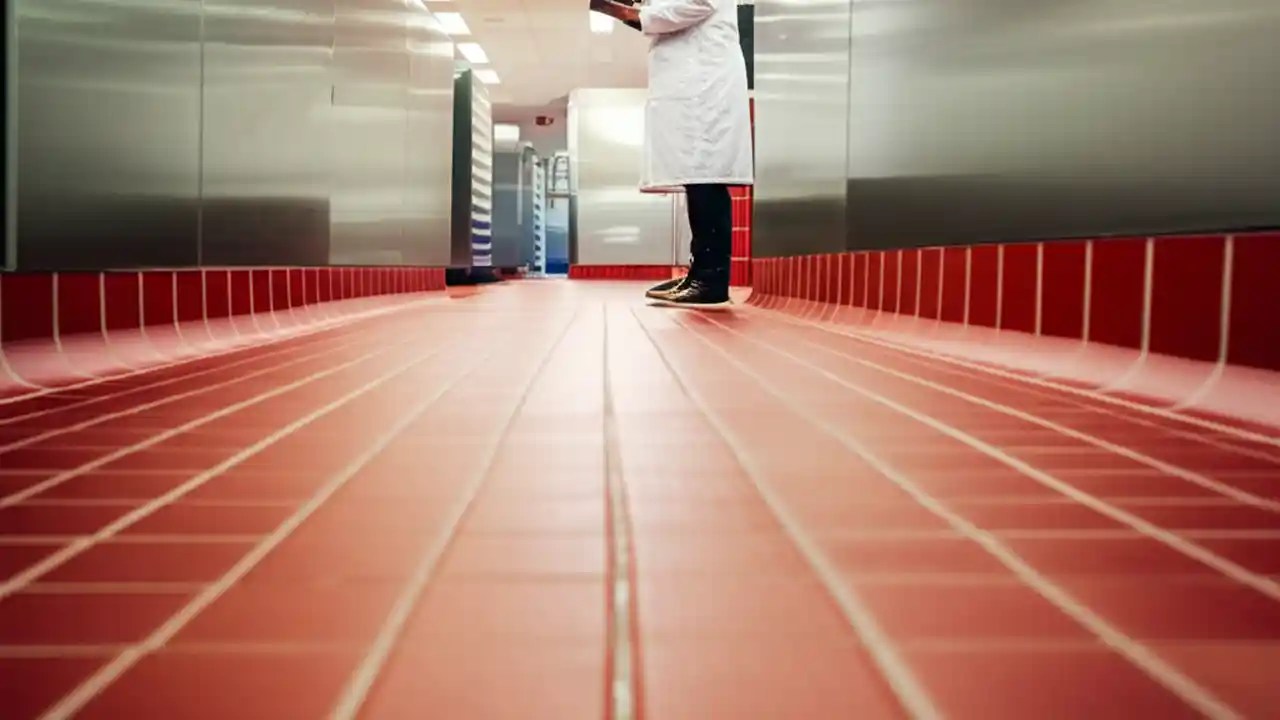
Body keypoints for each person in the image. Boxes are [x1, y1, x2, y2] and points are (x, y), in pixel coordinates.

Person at [589, 0, 754, 308]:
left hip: (705, 83)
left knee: (705, 174)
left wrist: (628, 13)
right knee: (697, 175)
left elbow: (698, 3)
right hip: (695, 81)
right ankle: (701, 273)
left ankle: (710, 280)